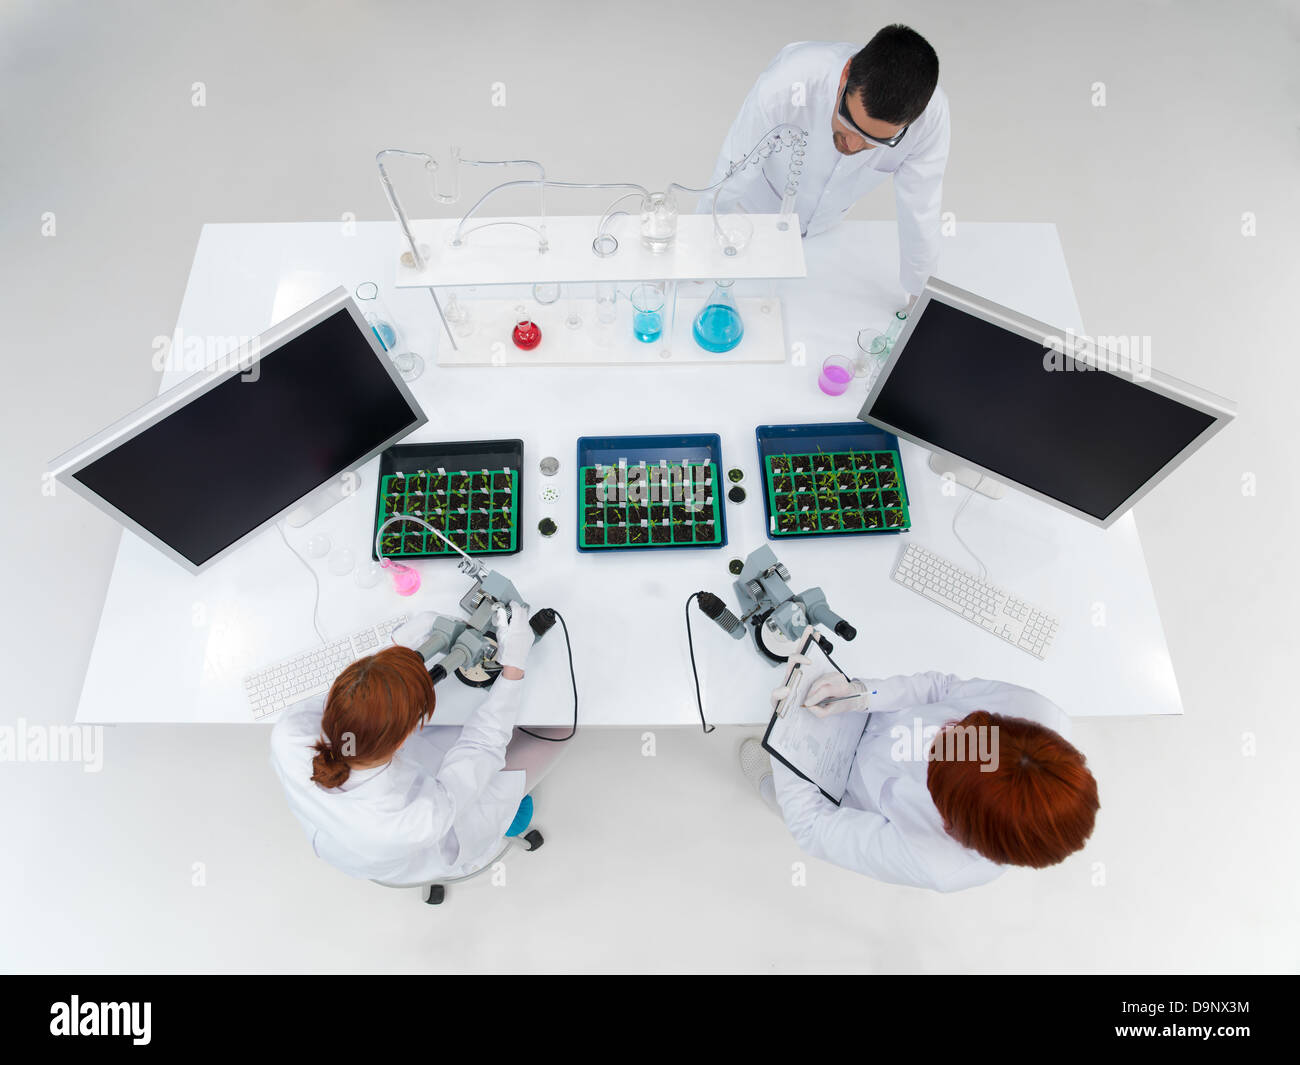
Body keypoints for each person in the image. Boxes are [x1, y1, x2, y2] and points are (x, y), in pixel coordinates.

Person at [270, 601, 566, 885]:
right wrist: (514, 667)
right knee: (557, 729)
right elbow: (483, 745)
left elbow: (352, 692)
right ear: (403, 738)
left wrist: (397, 647)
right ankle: (507, 815)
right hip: (435, 838)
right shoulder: (415, 819)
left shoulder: (290, 734)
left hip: (345, 838)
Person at [739, 666, 1099, 892]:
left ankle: (774, 787)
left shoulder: (943, 866)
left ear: (953, 828)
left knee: (791, 803)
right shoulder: (1038, 712)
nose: (935, 741)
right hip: (867, 717)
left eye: (934, 776)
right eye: (956, 732)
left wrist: (790, 736)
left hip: (838, 786)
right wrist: (864, 694)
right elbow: (941, 689)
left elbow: (813, 826)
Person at [706, 27, 949, 303]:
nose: (854, 146)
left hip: (826, 231)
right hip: (750, 214)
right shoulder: (788, 82)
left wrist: (921, 297)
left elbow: (921, 209)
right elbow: (732, 169)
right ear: (846, 74)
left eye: (875, 140)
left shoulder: (930, 121)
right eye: (850, 122)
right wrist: (697, 247)